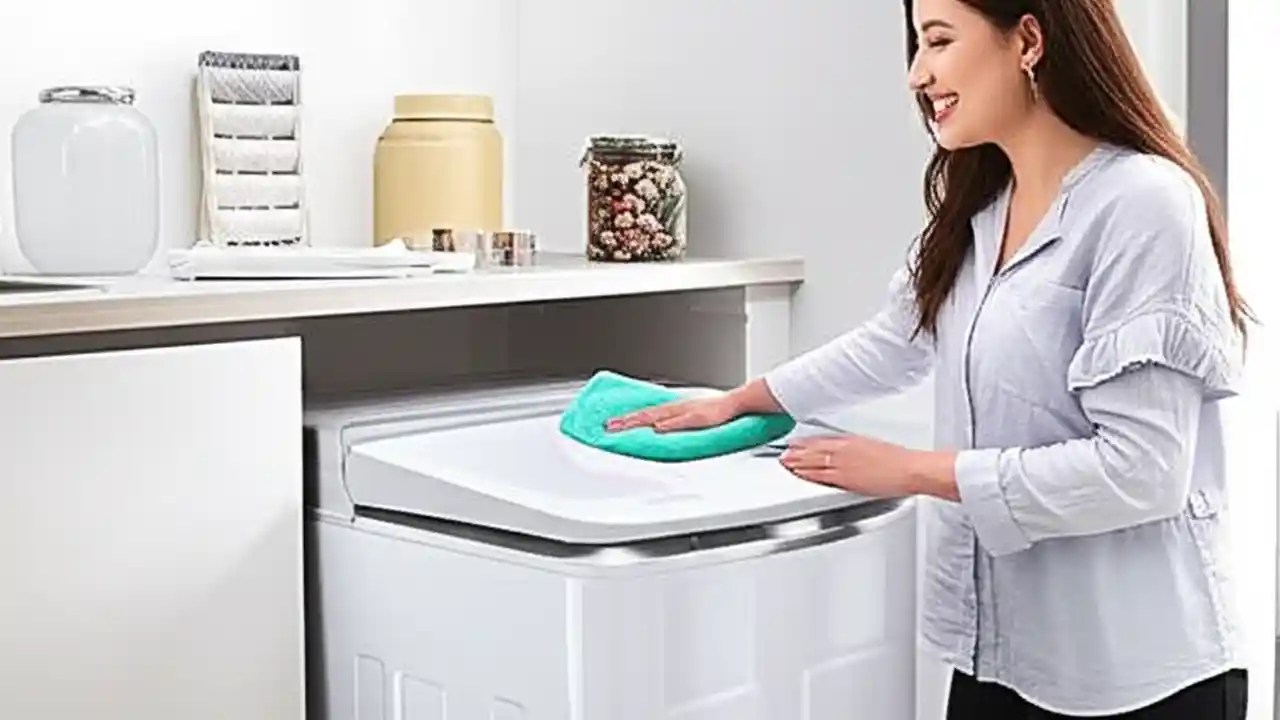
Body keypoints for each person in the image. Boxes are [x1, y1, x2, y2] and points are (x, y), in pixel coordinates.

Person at [607, 0, 1253, 718]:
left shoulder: (1143, 204)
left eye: (938, 42)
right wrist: (742, 400)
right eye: (917, 47)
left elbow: (1143, 472)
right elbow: (896, 340)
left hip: (1138, 676)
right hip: (1000, 655)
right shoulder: (983, 210)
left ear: (1029, 41)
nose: (919, 74)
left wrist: (913, 471)